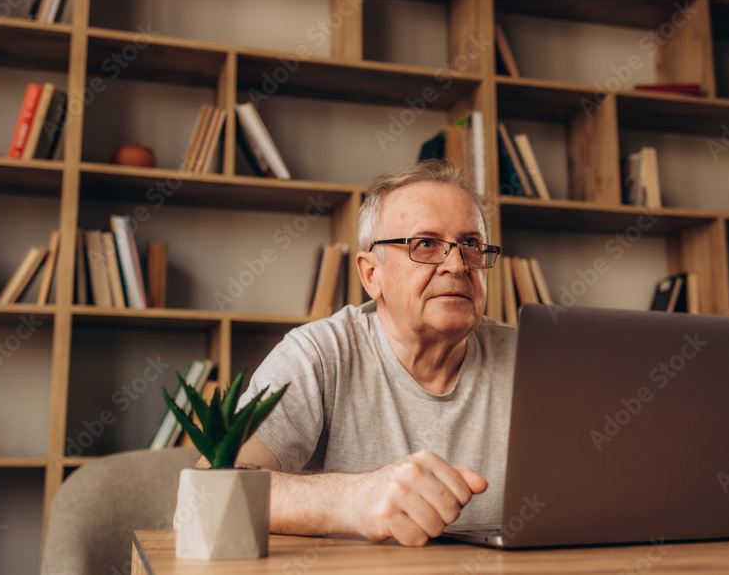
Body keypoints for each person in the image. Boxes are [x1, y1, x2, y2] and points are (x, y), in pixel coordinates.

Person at [218, 159, 517, 547]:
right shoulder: (317, 354)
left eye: (471, 244)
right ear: (371, 274)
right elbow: (217, 489)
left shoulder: (532, 359)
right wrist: (353, 498)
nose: (457, 265)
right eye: (426, 244)